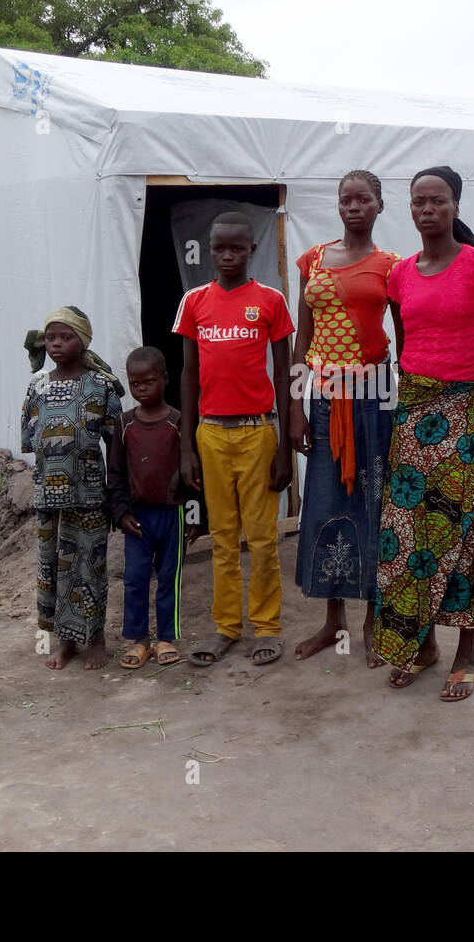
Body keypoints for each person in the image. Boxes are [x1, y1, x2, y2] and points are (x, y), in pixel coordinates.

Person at [371, 166, 474, 701]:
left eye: (437, 200)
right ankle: (420, 643)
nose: (427, 209)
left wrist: (463, 387)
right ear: (409, 209)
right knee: (408, 531)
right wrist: (425, 390)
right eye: (418, 202)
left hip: (465, 421)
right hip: (411, 418)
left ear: (455, 205)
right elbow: (407, 344)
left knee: (465, 530)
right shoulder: (400, 275)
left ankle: (467, 651)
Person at [289, 170, 403, 666]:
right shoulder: (312, 259)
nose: (353, 206)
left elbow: (406, 336)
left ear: (380, 205)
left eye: (364, 199)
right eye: (346, 199)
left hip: (374, 394)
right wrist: (294, 405)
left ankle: (373, 621)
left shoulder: (393, 266)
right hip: (323, 394)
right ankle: (333, 620)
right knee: (325, 499)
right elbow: (302, 337)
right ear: (337, 205)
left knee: (374, 502)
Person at [174, 212, 295, 667]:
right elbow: (188, 375)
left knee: (262, 538)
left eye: (236, 248)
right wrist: (186, 446)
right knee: (222, 537)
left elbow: (283, 375)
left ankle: (267, 626)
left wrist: (284, 445)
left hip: (258, 432)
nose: (227, 256)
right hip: (211, 434)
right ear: (209, 251)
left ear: (251, 251)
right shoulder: (194, 301)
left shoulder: (270, 300)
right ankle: (226, 626)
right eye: (219, 248)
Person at [19, 306, 123, 670]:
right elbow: (31, 441)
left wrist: (116, 492)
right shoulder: (37, 386)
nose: (57, 344)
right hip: (49, 496)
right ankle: (66, 642)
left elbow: (117, 442)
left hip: (91, 495)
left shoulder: (103, 386)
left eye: (66, 337)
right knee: (54, 568)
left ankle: (96, 640)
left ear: (84, 341)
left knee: (89, 568)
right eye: (51, 338)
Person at [106, 346, 199, 668]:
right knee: (134, 577)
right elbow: (115, 473)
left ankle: (166, 639)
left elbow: (193, 475)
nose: (142, 388)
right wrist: (120, 514)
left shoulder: (178, 422)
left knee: (169, 577)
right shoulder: (124, 424)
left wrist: (195, 516)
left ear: (165, 379)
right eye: (135, 383)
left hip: (172, 514)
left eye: (148, 381)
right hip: (137, 517)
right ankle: (139, 639)